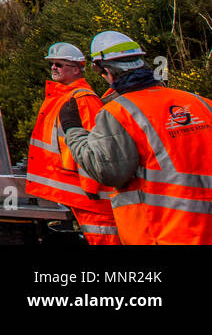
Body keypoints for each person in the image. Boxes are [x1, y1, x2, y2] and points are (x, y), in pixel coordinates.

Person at [60, 31, 212, 245]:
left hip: (166, 233)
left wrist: (73, 130)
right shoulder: (200, 103)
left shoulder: (119, 113)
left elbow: (108, 171)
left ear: (107, 72)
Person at [25, 42, 119, 245]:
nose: (53, 68)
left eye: (59, 64)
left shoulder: (82, 99)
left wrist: (91, 190)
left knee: (104, 238)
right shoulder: (62, 97)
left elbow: (95, 148)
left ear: (76, 69)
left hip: (90, 197)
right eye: (52, 64)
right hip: (76, 193)